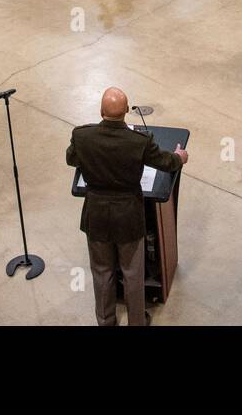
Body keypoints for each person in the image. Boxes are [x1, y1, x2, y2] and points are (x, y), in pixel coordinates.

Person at [66, 86, 187, 326]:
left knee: (102, 272)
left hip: (97, 215)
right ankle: (136, 321)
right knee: (132, 273)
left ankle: (106, 321)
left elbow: (71, 159)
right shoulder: (138, 141)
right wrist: (180, 157)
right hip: (128, 217)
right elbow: (166, 162)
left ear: (100, 111)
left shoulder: (82, 136)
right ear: (126, 111)